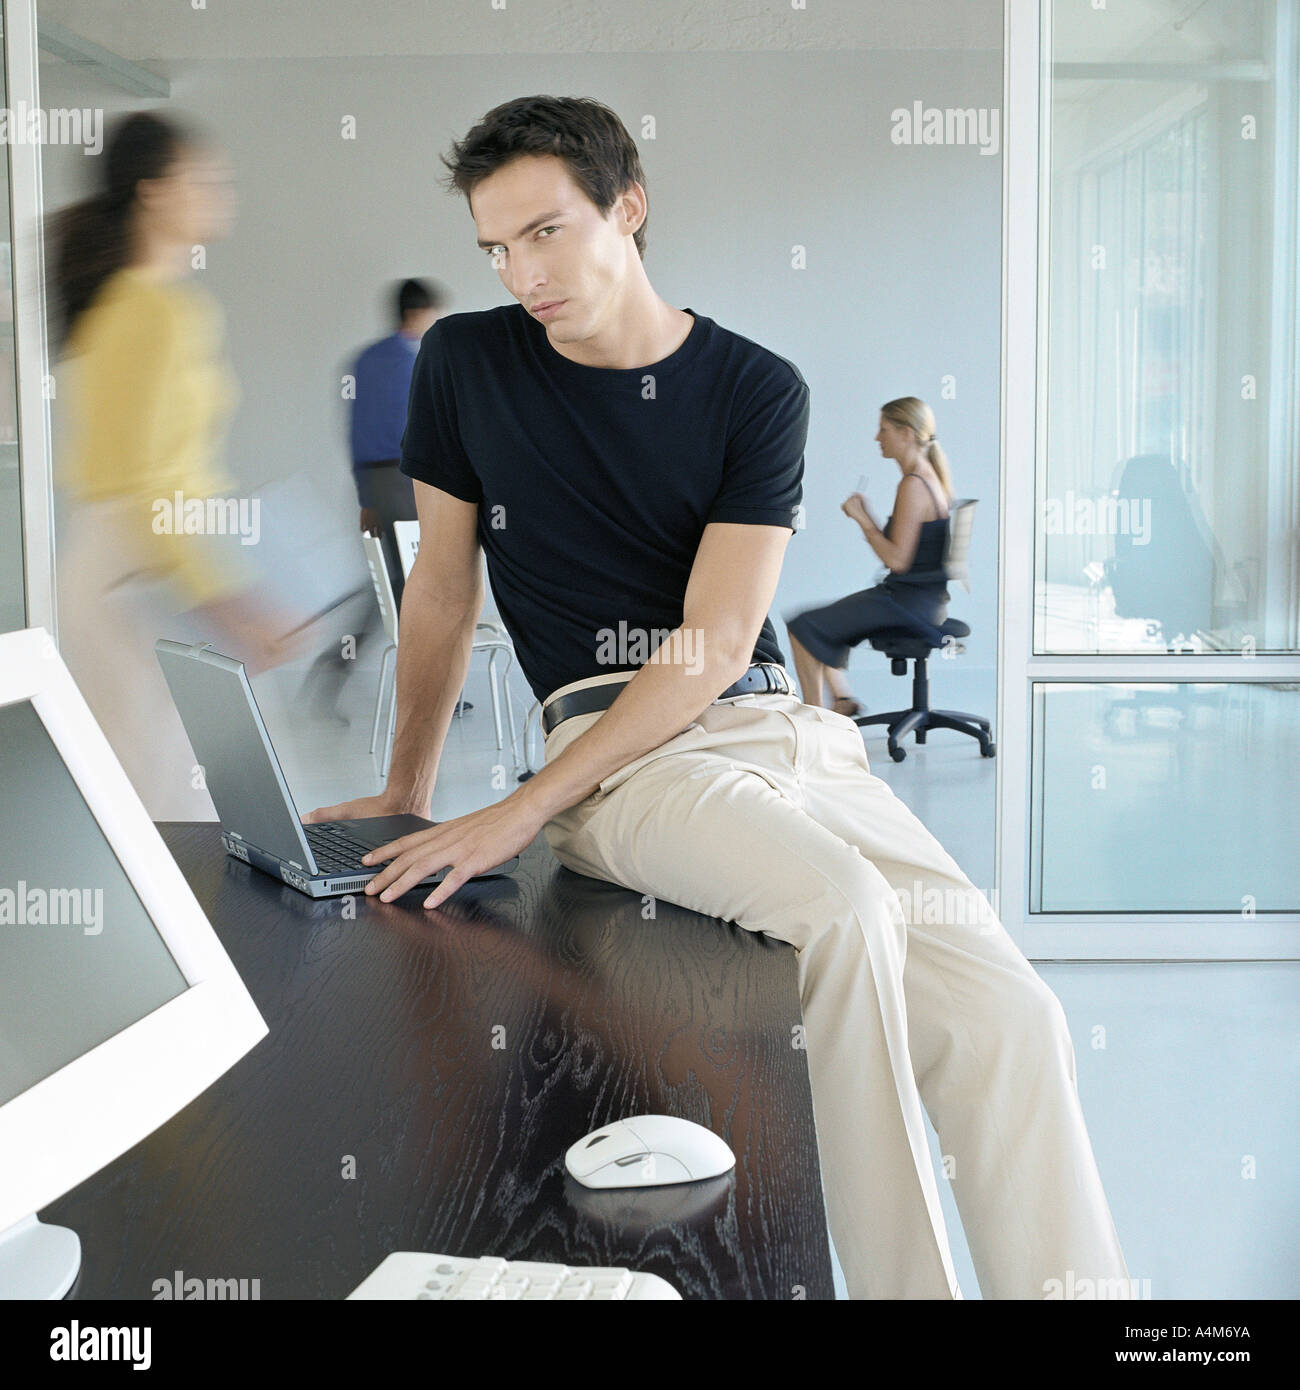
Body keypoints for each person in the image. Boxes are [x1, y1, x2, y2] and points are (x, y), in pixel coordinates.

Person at [306, 95, 1131, 1299]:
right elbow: (437, 590)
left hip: (779, 732)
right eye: (495, 247)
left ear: (626, 208)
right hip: (621, 753)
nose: (519, 272)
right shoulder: (468, 364)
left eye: (544, 233)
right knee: (843, 908)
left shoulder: (757, 388)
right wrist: (415, 791)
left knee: (1014, 1022)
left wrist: (518, 808)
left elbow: (714, 639)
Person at [50, 111, 299, 821]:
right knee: (182, 808)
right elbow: (156, 484)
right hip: (141, 568)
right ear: (154, 192)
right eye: (206, 179)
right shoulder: (158, 311)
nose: (223, 192)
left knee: (177, 799)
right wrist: (228, 601)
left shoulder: (124, 304)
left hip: (130, 564)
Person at [785, 398, 952, 716]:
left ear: (906, 433)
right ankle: (841, 698)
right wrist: (869, 516)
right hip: (923, 600)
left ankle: (816, 722)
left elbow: (897, 560)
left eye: (884, 429)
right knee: (823, 622)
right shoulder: (926, 477)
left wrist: (861, 519)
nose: (878, 437)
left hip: (908, 604)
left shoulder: (913, 484)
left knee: (802, 627)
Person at [350, 278, 445, 607]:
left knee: (395, 570)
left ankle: (347, 654)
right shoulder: (413, 362)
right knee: (417, 573)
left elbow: (355, 432)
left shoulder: (364, 359)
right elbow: (423, 430)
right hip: (406, 478)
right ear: (419, 313)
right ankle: (418, 651)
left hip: (375, 481)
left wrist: (366, 498)